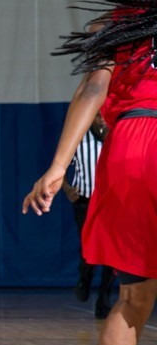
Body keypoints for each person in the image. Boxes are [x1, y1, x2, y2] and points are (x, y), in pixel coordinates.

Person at [22, 0, 157, 345]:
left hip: (131, 146)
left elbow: (93, 89)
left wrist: (58, 166)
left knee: (133, 296)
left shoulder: (117, 23)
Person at [60, 111, 115, 319]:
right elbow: (62, 165)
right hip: (84, 200)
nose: (102, 120)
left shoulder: (117, 137)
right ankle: (85, 275)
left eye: (104, 116)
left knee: (111, 252)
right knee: (89, 247)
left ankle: (104, 299)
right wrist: (66, 188)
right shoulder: (79, 137)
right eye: (98, 116)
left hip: (112, 202)